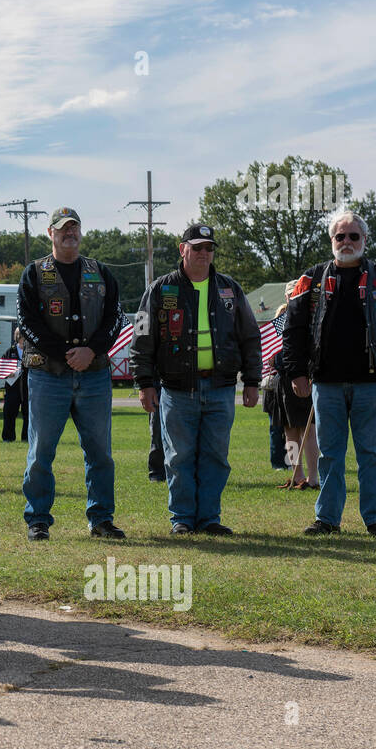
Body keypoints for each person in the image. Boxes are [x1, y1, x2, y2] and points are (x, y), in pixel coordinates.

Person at [284, 210, 376, 537]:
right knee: (329, 455)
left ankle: (375, 519)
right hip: (325, 384)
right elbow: (293, 331)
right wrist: (297, 372)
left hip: (371, 383)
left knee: (370, 454)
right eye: (340, 236)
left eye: (353, 236)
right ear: (331, 240)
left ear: (365, 240)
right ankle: (327, 519)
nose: (346, 242)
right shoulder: (310, 280)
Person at [131, 223, 261, 536]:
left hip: (220, 388)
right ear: (182, 249)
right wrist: (144, 382)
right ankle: (182, 519)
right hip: (176, 390)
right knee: (178, 457)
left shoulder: (229, 288)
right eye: (197, 247)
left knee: (216, 456)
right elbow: (142, 337)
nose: (204, 253)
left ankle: (209, 518)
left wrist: (253, 380)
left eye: (209, 248)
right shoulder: (160, 289)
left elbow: (250, 336)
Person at [16, 208, 123, 541]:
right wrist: (66, 352)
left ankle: (101, 519)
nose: (69, 233)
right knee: (41, 451)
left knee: (100, 452)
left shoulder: (101, 272)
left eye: (74, 228)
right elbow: (28, 323)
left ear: (81, 232)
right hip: (48, 375)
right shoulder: (34, 274)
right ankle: (38, 520)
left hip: (93, 375)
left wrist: (90, 350)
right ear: (50, 233)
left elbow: (115, 319)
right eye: (63, 229)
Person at [267, 286, 318, 489]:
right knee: (289, 431)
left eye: (296, 292)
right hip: (283, 380)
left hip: (304, 378)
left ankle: (313, 478)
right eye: (290, 293)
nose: (293, 296)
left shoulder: (311, 317)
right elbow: (273, 350)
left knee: (309, 429)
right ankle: (297, 475)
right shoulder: (282, 317)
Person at [0, 328, 29, 443]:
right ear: (18, 337)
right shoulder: (10, 351)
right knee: (9, 413)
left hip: (27, 388)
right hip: (12, 389)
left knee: (28, 414)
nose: (24, 340)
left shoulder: (30, 352)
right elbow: (0, 368)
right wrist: (8, 373)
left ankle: (26, 437)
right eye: (22, 337)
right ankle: (8, 437)